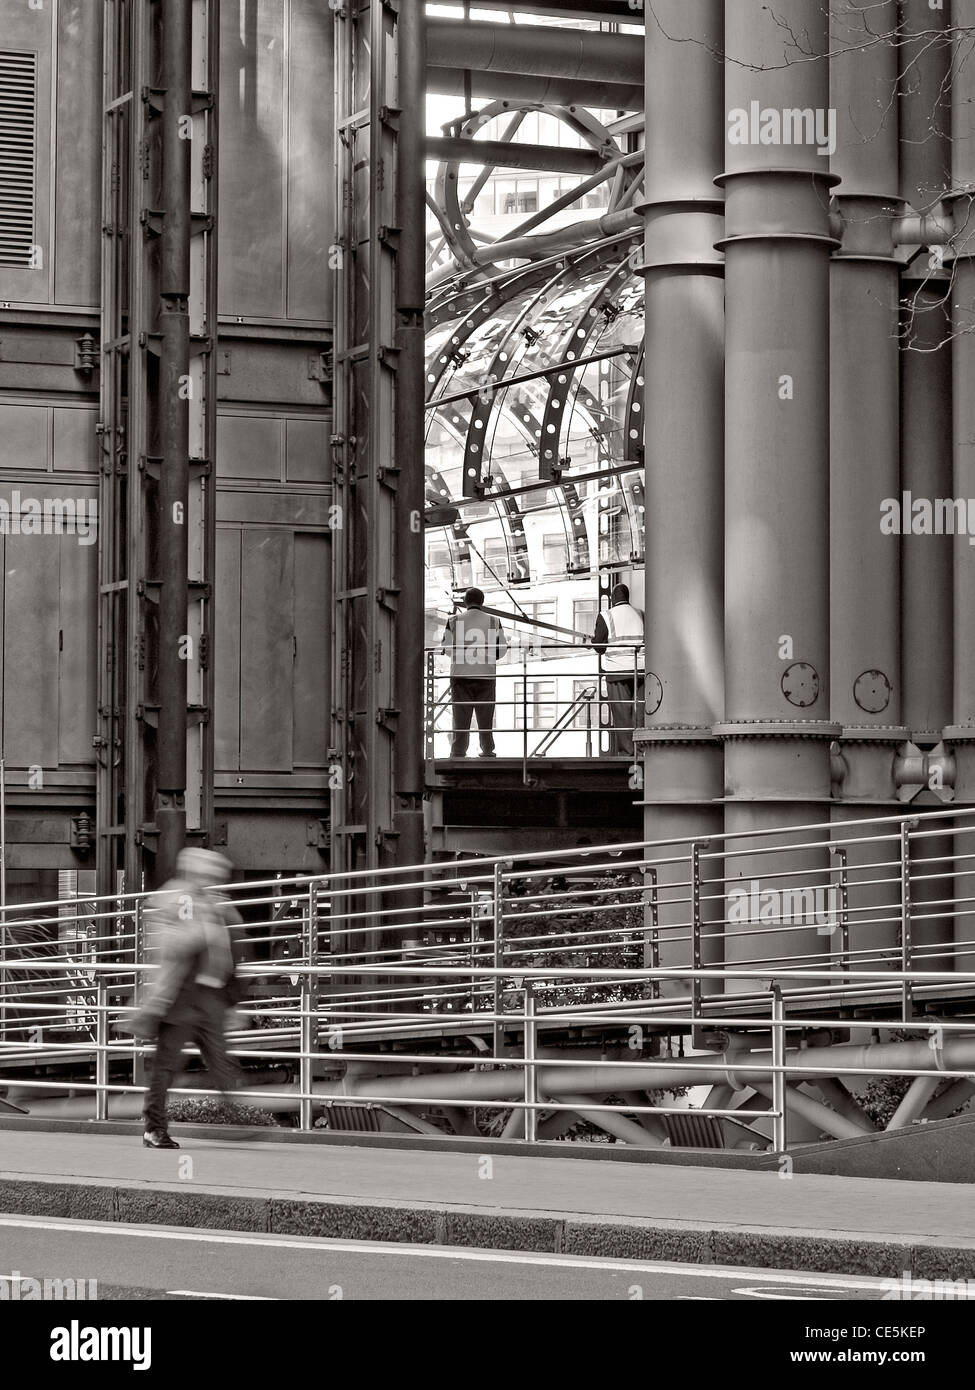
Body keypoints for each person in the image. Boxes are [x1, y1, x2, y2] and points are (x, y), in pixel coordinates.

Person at [129, 848, 244, 1149]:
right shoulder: (176, 897)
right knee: (166, 1066)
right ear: (192, 871)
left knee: (220, 1060)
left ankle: (238, 1115)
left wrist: (230, 999)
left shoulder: (211, 903)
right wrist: (200, 928)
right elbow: (169, 945)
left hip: (210, 995)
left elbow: (225, 953)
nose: (212, 879)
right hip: (180, 996)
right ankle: (154, 1128)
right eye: (207, 873)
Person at [442, 587, 507, 757]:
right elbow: (502, 649)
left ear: (465, 602)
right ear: (482, 602)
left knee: (461, 715)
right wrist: (489, 658)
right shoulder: (494, 620)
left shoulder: (453, 620)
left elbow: (447, 648)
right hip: (486, 674)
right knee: (485, 715)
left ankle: (458, 750)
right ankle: (487, 749)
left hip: (460, 675)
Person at [591, 583, 645, 757]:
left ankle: (628, 753)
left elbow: (599, 647)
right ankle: (642, 750)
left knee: (622, 713)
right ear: (627, 597)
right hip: (641, 671)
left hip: (618, 672)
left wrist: (593, 642)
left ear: (613, 599)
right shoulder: (641, 614)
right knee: (641, 713)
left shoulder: (606, 616)